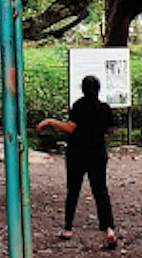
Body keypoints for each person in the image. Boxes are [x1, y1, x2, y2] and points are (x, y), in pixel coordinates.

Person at [38, 74, 118, 249]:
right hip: (97, 153)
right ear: (98, 89)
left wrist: (51, 122)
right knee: (100, 192)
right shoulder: (104, 108)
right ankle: (109, 229)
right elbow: (110, 130)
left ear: (82, 89)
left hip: (77, 154)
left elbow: (70, 128)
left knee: (73, 190)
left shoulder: (79, 106)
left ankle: (68, 228)